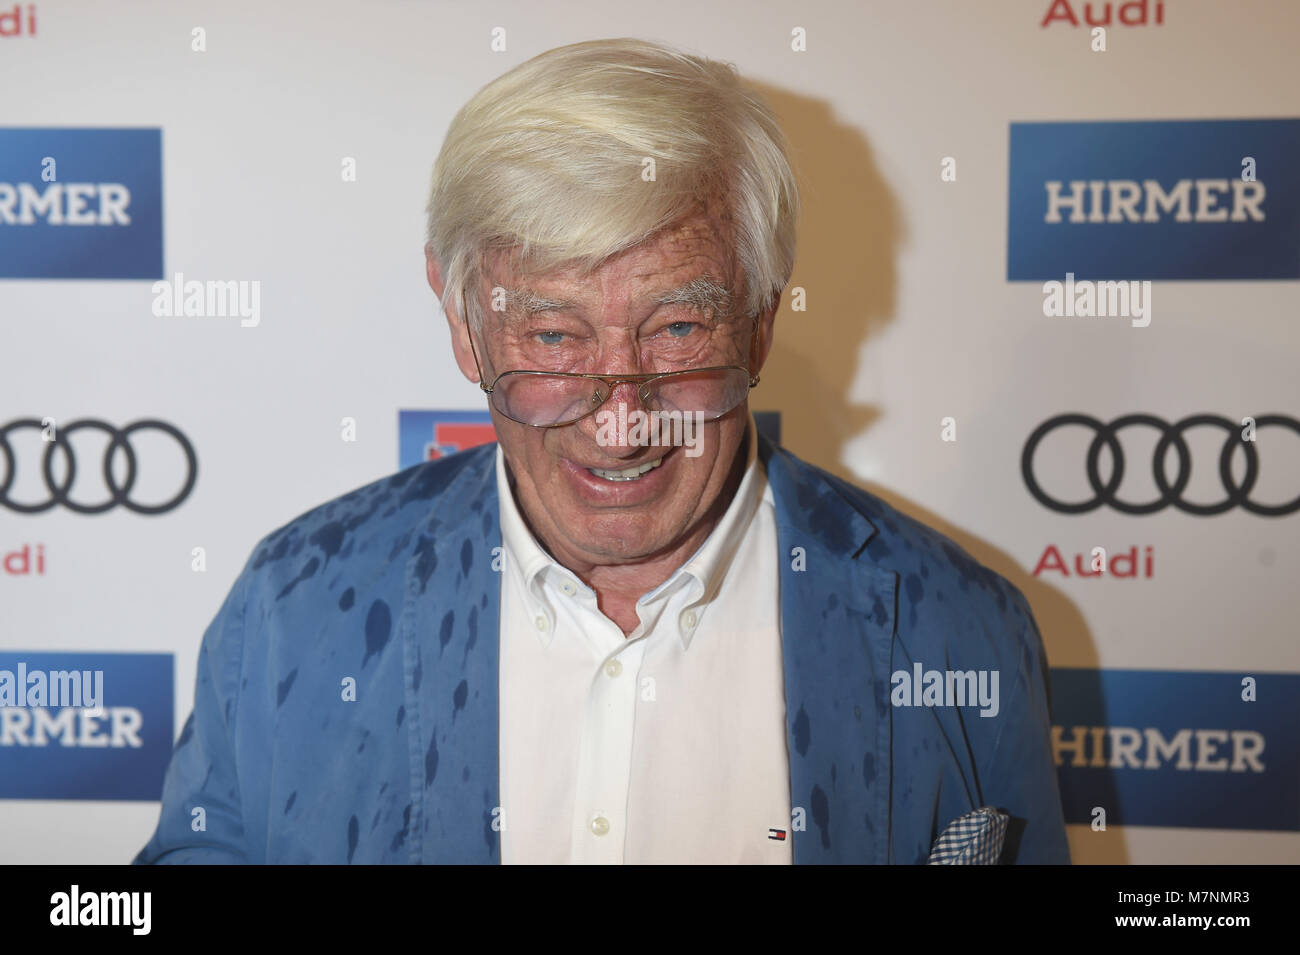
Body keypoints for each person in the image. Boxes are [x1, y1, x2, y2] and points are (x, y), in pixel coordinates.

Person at [134, 37, 1069, 864]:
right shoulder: (292, 611)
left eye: (675, 330)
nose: (622, 420)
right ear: (463, 324)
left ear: (758, 325)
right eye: (553, 337)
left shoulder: (954, 629)